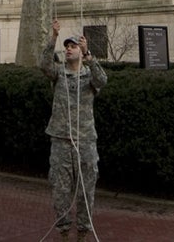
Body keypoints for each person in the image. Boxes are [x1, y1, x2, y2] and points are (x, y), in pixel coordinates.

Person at [39, 20, 108, 241]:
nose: (68, 49)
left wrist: (89, 55)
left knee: (86, 190)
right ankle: (64, 232)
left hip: (85, 140)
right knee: (60, 190)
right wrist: (53, 38)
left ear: (81, 50)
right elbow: (44, 65)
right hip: (60, 140)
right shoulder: (58, 73)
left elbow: (102, 80)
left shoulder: (89, 75)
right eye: (66, 46)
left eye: (73, 46)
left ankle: (83, 232)